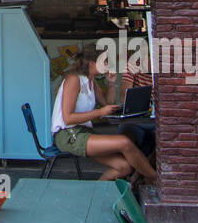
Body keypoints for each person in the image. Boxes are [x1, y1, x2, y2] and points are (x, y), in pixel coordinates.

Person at [52, 50, 158, 184]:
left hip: (83, 131)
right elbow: (68, 118)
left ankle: (94, 193)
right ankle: (155, 179)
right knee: (124, 142)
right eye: (105, 61)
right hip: (68, 134)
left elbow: (107, 103)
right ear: (91, 63)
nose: (108, 64)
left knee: (124, 167)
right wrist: (100, 112)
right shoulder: (74, 79)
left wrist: (111, 83)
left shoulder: (92, 81)